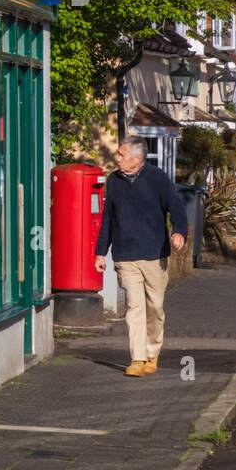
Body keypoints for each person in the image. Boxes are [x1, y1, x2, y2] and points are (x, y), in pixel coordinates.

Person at [94, 138, 188, 378]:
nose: (117, 159)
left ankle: (152, 352)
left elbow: (176, 207)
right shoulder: (114, 181)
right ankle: (137, 357)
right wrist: (100, 252)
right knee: (134, 307)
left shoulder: (157, 178)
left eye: (121, 155)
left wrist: (179, 231)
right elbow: (107, 218)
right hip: (126, 255)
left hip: (154, 254)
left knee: (154, 307)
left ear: (137, 159)